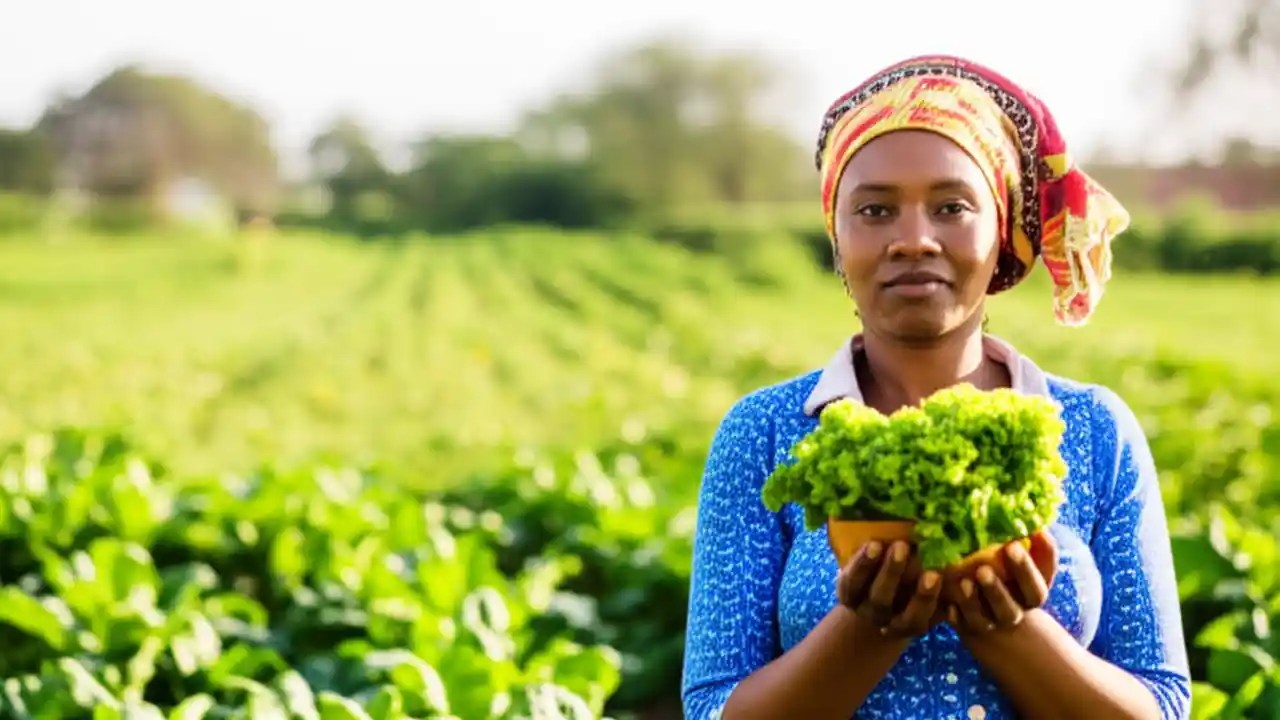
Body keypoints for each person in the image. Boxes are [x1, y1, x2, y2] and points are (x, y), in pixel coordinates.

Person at [680, 55, 1191, 720]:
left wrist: (1009, 630)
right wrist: (866, 629)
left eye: (952, 206)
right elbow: (713, 708)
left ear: (1002, 229)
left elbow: (1163, 705)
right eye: (875, 210)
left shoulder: (1093, 430)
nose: (914, 240)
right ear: (837, 238)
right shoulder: (765, 431)